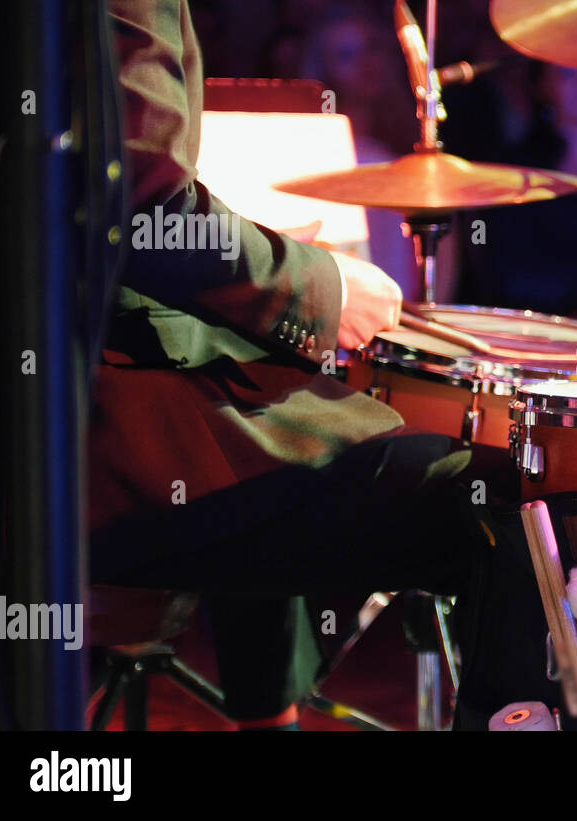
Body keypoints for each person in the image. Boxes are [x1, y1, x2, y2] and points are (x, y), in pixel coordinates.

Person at [92, 0, 485, 729]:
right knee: (485, 501)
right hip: (93, 441)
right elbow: (144, 207)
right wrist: (323, 289)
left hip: (75, 405)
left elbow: (100, 207)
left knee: (291, 401)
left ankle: (268, 715)